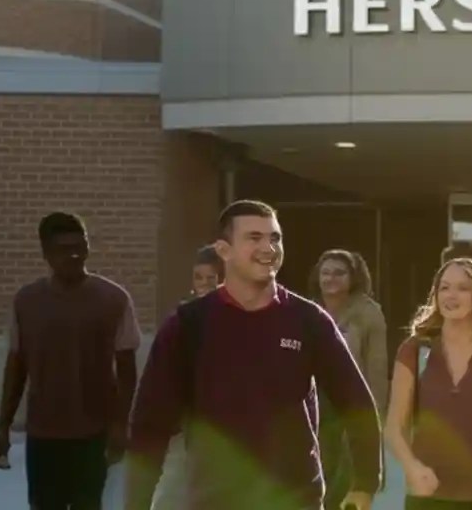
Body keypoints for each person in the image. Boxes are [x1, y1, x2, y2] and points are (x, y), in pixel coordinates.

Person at [126, 200, 382, 510]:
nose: (268, 248)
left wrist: (365, 483)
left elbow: (355, 401)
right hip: (213, 500)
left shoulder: (308, 320)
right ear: (224, 250)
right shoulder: (188, 325)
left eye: (275, 238)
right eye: (254, 238)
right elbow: (150, 422)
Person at [0, 211, 140, 510]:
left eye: (80, 246)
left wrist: (120, 425)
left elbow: (127, 369)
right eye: (63, 249)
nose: (74, 255)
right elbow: (17, 366)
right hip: (43, 434)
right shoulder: (26, 301)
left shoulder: (114, 299)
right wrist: (4, 427)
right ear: (46, 254)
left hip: (94, 434)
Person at [384, 257, 472, 510]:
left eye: (463, 288)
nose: (451, 295)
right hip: (427, 496)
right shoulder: (415, 350)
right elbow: (393, 428)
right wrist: (412, 467)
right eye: (444, 288)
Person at [309, 250, 390, 510]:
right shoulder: (308, 311)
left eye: (339, 273)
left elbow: (377, 370)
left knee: (345, 487)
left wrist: (374, 419)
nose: (331, 279)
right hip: (313, 407)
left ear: (353, 278)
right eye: (326, 273)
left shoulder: (369, 313)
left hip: (351, 407)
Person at [150, 245, 226, 510]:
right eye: (198, 277)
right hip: (186, 421)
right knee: (169, 495)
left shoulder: (236, 318)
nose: (203, 284)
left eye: (211, 278)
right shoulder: (182, 318)